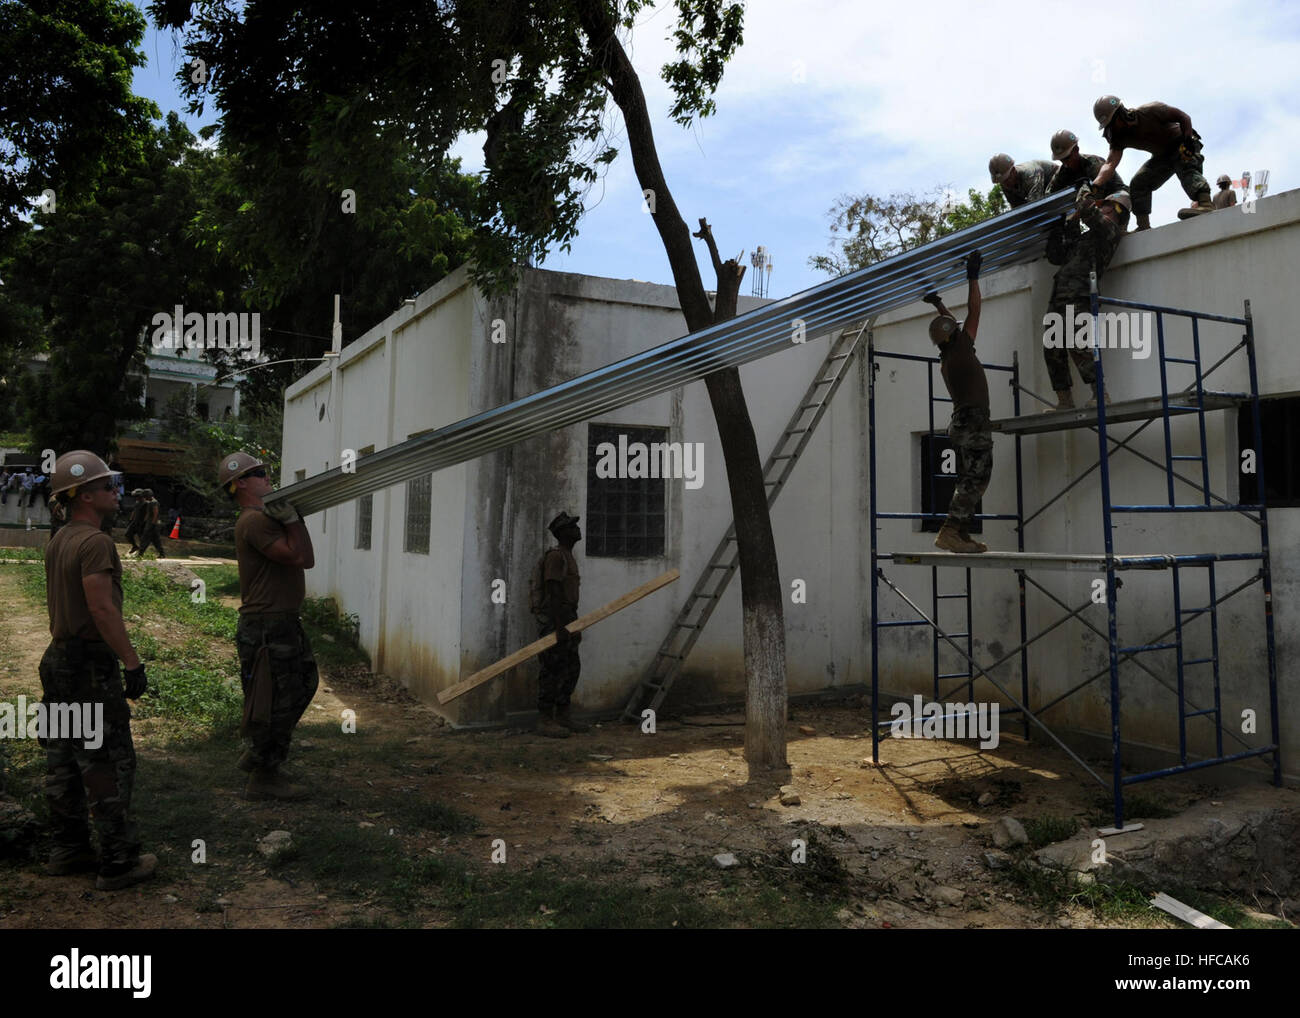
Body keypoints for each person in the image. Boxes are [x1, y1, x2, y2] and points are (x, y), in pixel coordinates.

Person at [40, 451, 155, 890]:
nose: (116, 492)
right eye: (108, 487)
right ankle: (118, 860)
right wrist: (132, 662)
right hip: (89, 665)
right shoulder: (96, 542)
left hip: (58, 661)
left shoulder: (60, 538)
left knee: (64, 758)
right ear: (86, 496)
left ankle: (68, 849)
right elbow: (102, 608)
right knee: (106, 759)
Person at [220, 451, 317, 800]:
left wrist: (293, 520)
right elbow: (302, 558)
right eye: (259, 473)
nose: (267, 477)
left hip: (281, 622)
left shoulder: (264, 517)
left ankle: (262, 753)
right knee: (276, 697)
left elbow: (306, 557)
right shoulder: (254, 521)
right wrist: (293, 521)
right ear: (240, 484)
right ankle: (265, 774)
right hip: (267, 626)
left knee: (303, 683)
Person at [921, 251, 991, 554]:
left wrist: (938, 304)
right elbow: (975, 310)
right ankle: (950, 530)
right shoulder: (961, 350)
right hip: (973, 422)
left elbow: (949, 325)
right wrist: (973, 276)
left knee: (967, 478)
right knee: (977, 478)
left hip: (962, 422)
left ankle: (959, 535)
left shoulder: (950, 354)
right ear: (954, 335)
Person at [1041, 188, 1133, 410]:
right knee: (1051, 348)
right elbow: (1056, 255)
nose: (1101, 208)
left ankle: (1100, 394)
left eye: (1106, 206)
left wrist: (1084, 192)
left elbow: (1087, 210)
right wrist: (1067, 224)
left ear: (1117, 211)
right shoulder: (1087, 237)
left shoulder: (1110, 231)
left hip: (1080, 294)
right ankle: (1065, 400)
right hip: (1060, 294)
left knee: (1080, 343)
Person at [1090, 95, 1211, 230]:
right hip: (1162, 156)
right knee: (1139, 183)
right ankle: (1143, 226)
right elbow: (1110, 163)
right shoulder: (1117, 137)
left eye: (1113, 122)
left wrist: (1187, 139)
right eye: (1109, 126)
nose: (1113, 128)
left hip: (1182, 144)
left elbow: (1183, 117)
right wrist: (1096, 184)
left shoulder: (1150, 111)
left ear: (1121, 113)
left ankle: (1205, 203)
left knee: (1185, 166)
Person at [531, 512, 588, 737]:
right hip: (555, 620)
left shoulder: (567, 555)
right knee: (552, 668)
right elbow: (553, 592)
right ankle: (545, 720)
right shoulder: (556, 557)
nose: (577, 530)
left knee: (571, 667)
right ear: (563, 533)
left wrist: (571, 624)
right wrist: (559, 627)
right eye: (572, 527)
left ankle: (563, 715)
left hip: (567, 618)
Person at [988, 153, 1057, 209]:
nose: (1006, 184)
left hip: (1059, 186)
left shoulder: (1031, 174)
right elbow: (1017, 208)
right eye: (1002, 181)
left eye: (1007, 179)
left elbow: (1035, 206)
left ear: (1013, 171)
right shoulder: (1005, 184)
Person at [135, 490, 165, 559]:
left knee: (145, 538)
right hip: (150, 523)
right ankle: (162, 554)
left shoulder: (154, 502)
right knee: (156, 540)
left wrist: (152, 524)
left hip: (152, 524)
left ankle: (140, 554)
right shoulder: (150, 503)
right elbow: (148, 514)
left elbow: (155, 514)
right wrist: (144, 522)